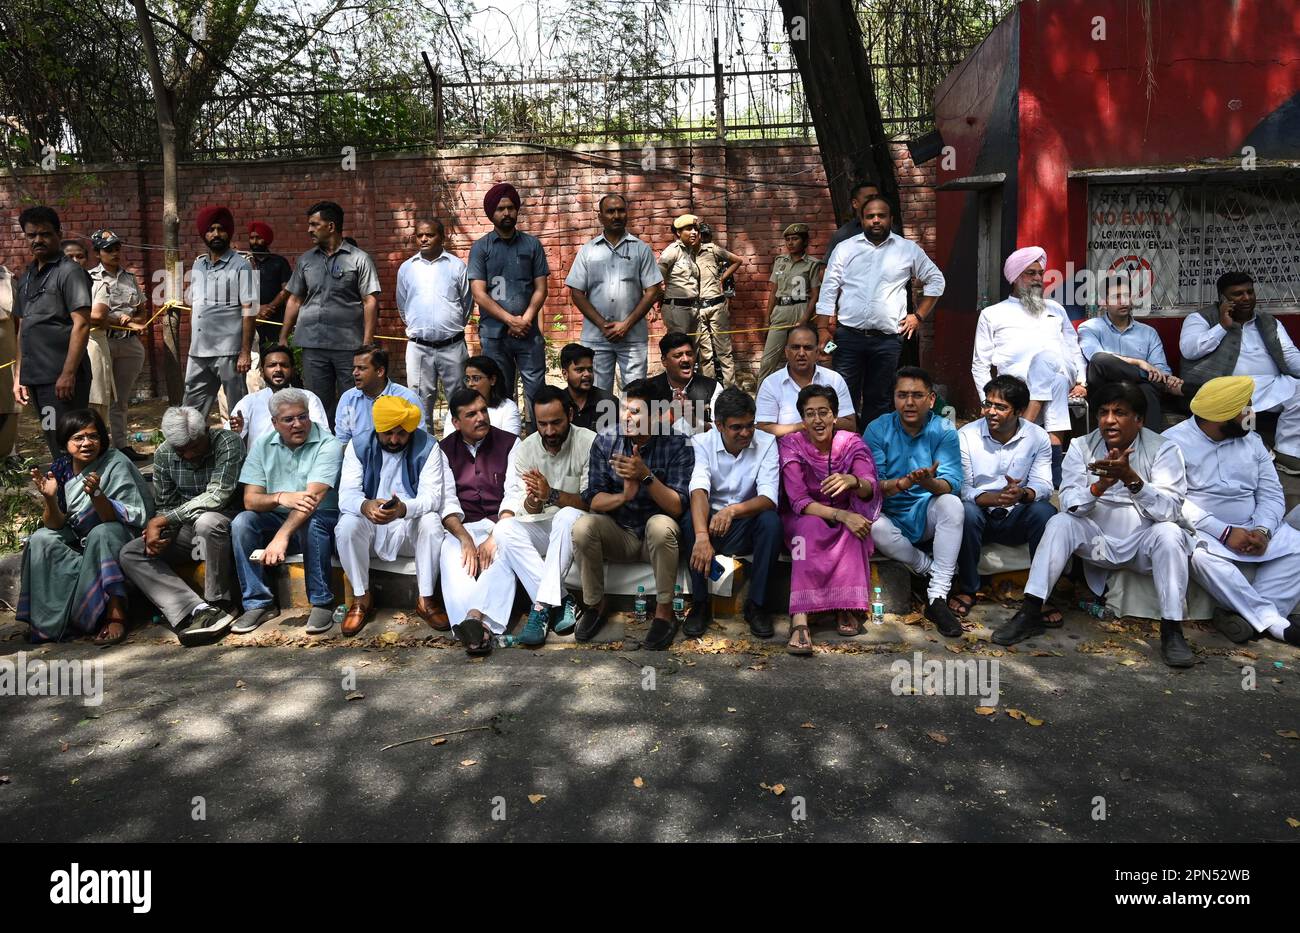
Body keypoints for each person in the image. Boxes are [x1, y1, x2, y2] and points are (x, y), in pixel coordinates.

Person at [991, 382, 1195, 667]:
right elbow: (1070, 502)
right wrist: (1100, 486)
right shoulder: (1081, 446)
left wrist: (1131, 479)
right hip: (1097, 541)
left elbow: (1169, 510)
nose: (1109, 420)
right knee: (1060, 522)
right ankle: (1030, 611)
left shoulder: (1164, 449)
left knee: (1170, 533)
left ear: (1139, 420)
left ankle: (1172, 631)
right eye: (1103, 412)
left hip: (1142, 544)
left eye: (1119, 413)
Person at [1165, 376, 1300, 647]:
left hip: (1253, 527)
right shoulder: (1172, 442)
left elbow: (1271, 494)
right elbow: (1173, 501)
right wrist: (1225, 532)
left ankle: (1248, 619)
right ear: (1221, 416)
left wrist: (1263, 530)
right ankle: (1275, 624)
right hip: (1204, 531)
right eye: (1245, 408)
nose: (1252, 414)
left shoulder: (1253, 441)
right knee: (1198, 557)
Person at [571, 378, 693, 650]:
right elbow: (593, 498)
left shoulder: (677, 444)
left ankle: (664, 613)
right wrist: (624, 496)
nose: (626, 416)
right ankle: (595, 605)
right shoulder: (606, 440)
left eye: (635, 411)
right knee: (583, 527)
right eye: (623, 409)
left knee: (660, 525)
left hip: (656, 540)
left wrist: (645, 476)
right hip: (620, 532)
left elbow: (677, 506)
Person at [18, 409, 153, 645]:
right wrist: (49, 498)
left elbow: (126, 516)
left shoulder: (115, 463)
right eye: (78, 438)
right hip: (78, 534)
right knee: (41, 538)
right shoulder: (61, 468)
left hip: (116, 534)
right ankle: (50, 622)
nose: (87, 443)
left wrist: (97, 495)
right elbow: (56, 523)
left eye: (93, 436)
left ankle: (116, 614)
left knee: (101, 533)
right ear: (65, 442)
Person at [118, 407, 244, 646]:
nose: (188, 455)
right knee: (131, 553)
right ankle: (197, 610)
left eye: (194, 446)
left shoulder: (228, 442)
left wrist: (164, 520)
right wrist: (161, 533)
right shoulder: (164, 453)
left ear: (206, 430)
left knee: (207, 521)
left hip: (226, 521)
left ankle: (221, 603)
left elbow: (218, 495)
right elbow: (166, 503)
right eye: (181, 450)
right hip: (186, 529)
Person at [816, 196, 945, 425]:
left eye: (881, 216)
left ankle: (871, 444)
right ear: (862, 219)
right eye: (870, 216)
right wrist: (822, 328)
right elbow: (829, 288)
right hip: (848, 336)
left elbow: (936, 280)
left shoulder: (907, 249)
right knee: (843, 396)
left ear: (891, 219)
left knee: (879, 398)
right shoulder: (845, 248)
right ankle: (845, 443)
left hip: (887, 340)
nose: (876, 220)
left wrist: (919, 316)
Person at [229, 388, 344, 636]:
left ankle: (322, 601)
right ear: (274, 423)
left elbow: (311, 500)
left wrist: (281, 537)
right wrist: (281, 497)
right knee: (242, 522)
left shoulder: (329, 444)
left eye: (303, 417)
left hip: (323, 522)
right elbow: (250, 500)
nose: (298, 424)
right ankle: (258, 603)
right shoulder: (262, 445)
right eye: (289, 419)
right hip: (279, 517)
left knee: (312, 522)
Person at [778, 384, 881, 654]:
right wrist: (841, 515)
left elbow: (869, 486)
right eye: (810, 413)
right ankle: (799, 617)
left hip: (846, 512)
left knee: (854, 529)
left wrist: (853, 480)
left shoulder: (851, 442)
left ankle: (844, 606)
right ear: (803, 420)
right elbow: (798, 501)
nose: (817, 420)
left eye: (823, 412)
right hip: (804, 516)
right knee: (809, 530)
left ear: (834, 416)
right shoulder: (792, 444)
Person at [335, 396, 451, 636]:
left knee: (431, 521)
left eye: (402, 434)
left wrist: (403, 509)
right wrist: (365, 505)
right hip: (372, 526)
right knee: (346, 525)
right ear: (378, 428)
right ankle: (361, 598)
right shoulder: (358, 446)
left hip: (408, 526)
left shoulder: (428, 446)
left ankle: (426, 599)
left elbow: (432, 497)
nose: (395, 440)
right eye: (388, 433)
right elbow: (346, 496)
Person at [972, 246, 1086, 485]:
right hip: (1017, 384)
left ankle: (1022, 432)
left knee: (1047, 361)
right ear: (1014, 277)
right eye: (1030, 273)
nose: (1037, 279)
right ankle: (1054, 468)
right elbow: (980, 363)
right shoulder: (993, 313)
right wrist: (987, 401)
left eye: (1040, 273)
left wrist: (1082, 381)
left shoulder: (1056, 309)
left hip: (1061, 371)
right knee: (1054, 381)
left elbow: (1073, 347)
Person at [492, 385, 596, 646]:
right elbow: (525, 508)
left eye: (556, 423)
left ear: (570, 415)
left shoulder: (589, 442)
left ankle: (540, 607)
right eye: (542, 424)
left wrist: (551, 494)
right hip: (544, 526)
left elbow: (591, 502)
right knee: (503, 529)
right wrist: (533, 500)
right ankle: (564, 599)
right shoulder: (526, 449)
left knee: (566, 515)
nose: (549, 431)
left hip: (579, 526)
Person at [864, 367, 965, 637]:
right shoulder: (877, 429)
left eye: (917, 395)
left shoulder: (943, 429)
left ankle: (937, 597)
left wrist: (927, 482)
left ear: (931, 400)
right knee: (873, 525)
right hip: (888, 512)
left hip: (925, 510)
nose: (909, 402)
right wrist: (904, 483)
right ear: (894, 398)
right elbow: (872, 485)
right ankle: (929, 569)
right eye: (902, 395)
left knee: (952, 505)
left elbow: (952, 483)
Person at [951, 375, 1056, 619]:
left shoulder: (1038, 437)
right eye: (988, 404)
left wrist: (1023, 493)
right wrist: (992, 498)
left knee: (1046, 512)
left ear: (1019, 411)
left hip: (1017, 513)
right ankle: (968, 589)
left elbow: (1044, 485)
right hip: (981, 513)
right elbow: (962, 487)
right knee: (964, 511)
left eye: (1000, 407)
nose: (991, 412)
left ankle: (1039, 597)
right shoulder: (966, 435)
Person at [683, 388, 781, 640]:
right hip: (711, 523)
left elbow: (769, 498)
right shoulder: (702, 443)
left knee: (771, 522)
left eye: (750, 425)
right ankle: (700, 603)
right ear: (719, 426)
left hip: (745, 521)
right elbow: (699, 489)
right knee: (689, 521)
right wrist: (702, 536)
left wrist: (732, 511)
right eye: (737, 427)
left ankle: (757, 605)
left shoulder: (767, 442)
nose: (746, 433)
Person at [1180, 271, 1300, 476]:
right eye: (1237, 294)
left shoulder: (1269, 321)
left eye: (1249, 292)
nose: (1246, 298)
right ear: (1222, 298)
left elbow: (1289, 355)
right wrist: (1222, 326)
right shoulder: (1200, 318)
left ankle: (1287, 451)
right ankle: (1253, 448)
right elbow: (1189, 349)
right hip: (1225, 386)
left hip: (1270, 384)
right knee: (1241, 404)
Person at [436, 387, 521, 656]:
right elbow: (446, 500)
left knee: (504, 551)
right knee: (451, 552)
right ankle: (476, 627)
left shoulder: (510, 443)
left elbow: (515, 493)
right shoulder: (443, 450)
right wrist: (464, 539)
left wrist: (496, 536)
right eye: (471, 414)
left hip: (502, 522)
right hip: (465, 525)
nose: (481, 417)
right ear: (456, 422)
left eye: (483, 410)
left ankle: (475, 621)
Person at [280, 200, 381, 422]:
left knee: (353, 401)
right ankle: (323, 443)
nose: (309, 230)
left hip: (349, 346)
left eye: (314, 224)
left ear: (331, 226)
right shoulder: (306, 260)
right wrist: (283, 337)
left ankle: (352, 442)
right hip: (313, 345)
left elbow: (370, 301)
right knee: (316, 404)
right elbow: (294, 299)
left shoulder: (359, 259)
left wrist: (367, 342)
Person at [12, 206, 93, 457]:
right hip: (37, 378)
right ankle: (63, 481)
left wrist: (68, 374)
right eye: (31, 235)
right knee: (54, 439)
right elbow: (24, 326)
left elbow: (82, 324)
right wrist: (19, 375)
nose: (38, 240)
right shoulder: (27, 277)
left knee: (72, 442)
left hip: (62, 379)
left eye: (45, 234)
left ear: (59, 234)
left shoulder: (70, 272)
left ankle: (80, 483)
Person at [468, 183, 548, 426]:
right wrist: (510, 320)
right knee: (499, 392)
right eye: (500, 209)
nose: (506, 213)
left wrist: (525, 319)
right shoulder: (481, 248)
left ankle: (538, 438)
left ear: (517, 210)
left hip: (528, 333)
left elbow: (541, 288)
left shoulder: (532, 245)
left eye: (511, 207)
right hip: (494, 335)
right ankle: (506, 439)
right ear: (491, 213)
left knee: (536, 389)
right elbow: (479, 294)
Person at [566, 194, 663, 391]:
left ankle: (631, 415)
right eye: (610, 211)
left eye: (621, 210)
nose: (616, 216)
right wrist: (603, 326)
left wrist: (626, 325)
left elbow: (653, 291)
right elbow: (576, 293)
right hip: (596, 337)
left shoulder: (641, 250)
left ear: (627, 214)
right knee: (597, 394)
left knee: (635, 394)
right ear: (600, 217)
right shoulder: (588, 251)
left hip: (632, 337)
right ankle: (604, 416)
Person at [1079, 272, 1184, 429]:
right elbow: (1096, 357)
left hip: (1138, 391)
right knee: (1100, 360)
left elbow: (1160, 369)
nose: (1123, 301)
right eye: (1116, 297)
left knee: (1147, 388)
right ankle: (1145, 378)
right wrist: (1139, 363)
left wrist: (1167, 378)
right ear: (1104, 302)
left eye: (1126, 296)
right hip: (1105, 388)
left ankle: (1149, 442)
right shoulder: (1090, 327)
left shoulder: (1148, 332)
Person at [396, 218, 472, 428]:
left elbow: (467, 304)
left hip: (452, 346)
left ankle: (459, 445)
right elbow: (403, 305)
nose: (424, 239)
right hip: (419, 348)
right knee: (419, 405)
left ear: (442, 237)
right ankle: (425, 447)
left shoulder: (456, 266)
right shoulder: (406, 268)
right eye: (419, 235)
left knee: (459, 401)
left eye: (429, 235)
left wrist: (449, 328)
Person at [183, 205, 256, 419]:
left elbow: (250, 310)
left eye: (221, 229)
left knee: (237, 411)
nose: (216, 234)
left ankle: (239, 442)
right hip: (199, 352)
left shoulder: (242, 265)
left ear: (228, 233)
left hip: (229, 352)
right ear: (203, 234)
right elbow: (194, 306)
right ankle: (191, 442)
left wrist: (245, 352)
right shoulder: (199, 265)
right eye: (211, 229)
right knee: (190, 412)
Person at [656, 214, 743, 385]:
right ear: (678, 233)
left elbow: (735, 261)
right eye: (689, 229)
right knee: (689, 352)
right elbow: (656, 277)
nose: (694, 233)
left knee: (711, 352)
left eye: (696, 229)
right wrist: (661, 298)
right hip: (683, 309)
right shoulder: (675, 251)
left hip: (701, 308)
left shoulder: (699, 252)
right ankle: (687, 389)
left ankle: (720, 390)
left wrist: (721, 280)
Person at [88, 230, 149, 461]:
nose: (114, 253)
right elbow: (90, 314)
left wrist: (133, 320)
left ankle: (122, 446)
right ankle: (99, 447)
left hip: (129, 343)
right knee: (99, 398)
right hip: (101, 342)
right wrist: (118, 319)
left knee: (121, 399)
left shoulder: (129, 278)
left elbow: (142, 312)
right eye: (108, 249)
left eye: (116, 248)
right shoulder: (89, 278)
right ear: (97, 253)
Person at [755, 323, 856, 436]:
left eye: (808, 348)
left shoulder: (834, 379)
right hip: (785, 447)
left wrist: (821, 420)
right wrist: (803, 425)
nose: (801, 353)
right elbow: (762, 429)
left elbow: (850, 425)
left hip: (830, 446)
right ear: (786, 352)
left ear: (817, 352)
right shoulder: (771, 384)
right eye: (795, 347)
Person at [228, 344, 329, 447]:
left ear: (293, 371)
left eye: (284, 365)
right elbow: (227, 438)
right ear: (262, 372)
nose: (278, 369)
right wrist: (236, 432)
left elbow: (323, 436)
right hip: (261, 457)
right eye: (272, 365)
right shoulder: (249, 401)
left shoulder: (309, 398)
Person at [758, 223, 822, 382]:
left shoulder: (812, 264)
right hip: (780, 311)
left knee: (804, 358)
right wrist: (766, 320)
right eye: (788, 240)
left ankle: (807, 392)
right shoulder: (780, 261)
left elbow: (815, 295)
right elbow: (773, 292)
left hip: (801, 309)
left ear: (804, 241)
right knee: (768, 361)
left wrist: (805, 319)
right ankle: (762, 396)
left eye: (795, 239)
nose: (791, 243)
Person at [334, 344, 424, 447]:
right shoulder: (348, 398)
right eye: (354, 368)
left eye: (361, 368)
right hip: (358, 456)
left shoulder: (407, 398)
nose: (355, 373)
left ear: (380, 371)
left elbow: (419, 441)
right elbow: (342, 441)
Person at [646, 331, 722, 435]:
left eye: (689, 354)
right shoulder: (649, 389)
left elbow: (723, 431)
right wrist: (671, 415)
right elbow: (639, 431)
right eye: (678, 355)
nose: (686, 359)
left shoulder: (712, 388)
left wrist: (695, 422)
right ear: (664, 361)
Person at [440, 354, 522, 437]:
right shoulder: (458, 406)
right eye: (467, 379)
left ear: (492, 380)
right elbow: (449, 441)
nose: (470, 384)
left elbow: (510, 442)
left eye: (476, 378)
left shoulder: (508, 408)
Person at [243, 221, 293, 352]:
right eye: (252, 238)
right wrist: (255, 310)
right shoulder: (244, 263)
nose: (254, 241)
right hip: (250, 318)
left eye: (258, 238)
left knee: (274, 353)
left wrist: (269, 308)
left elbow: (287, 290)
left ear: (267, 239)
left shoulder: (279, 262)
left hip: (274, 319)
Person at [561, 342, 618, 434]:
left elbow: (615, 440)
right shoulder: (558, 404)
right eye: (580, 370)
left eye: (590, 369)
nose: (587, 374)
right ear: (565, 374)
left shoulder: (609, 403)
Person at [823, 179, 881, 261]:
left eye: (877, 197)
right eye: (869, 198)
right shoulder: (843, 235)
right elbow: (830, 265)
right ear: (855, 203)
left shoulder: (891, 229)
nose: (875, 201)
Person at [0, 263, 19, 457]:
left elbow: (19, 322)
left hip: (7, 356)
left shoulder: (7, 278)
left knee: (8, 406)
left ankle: (8, 454)